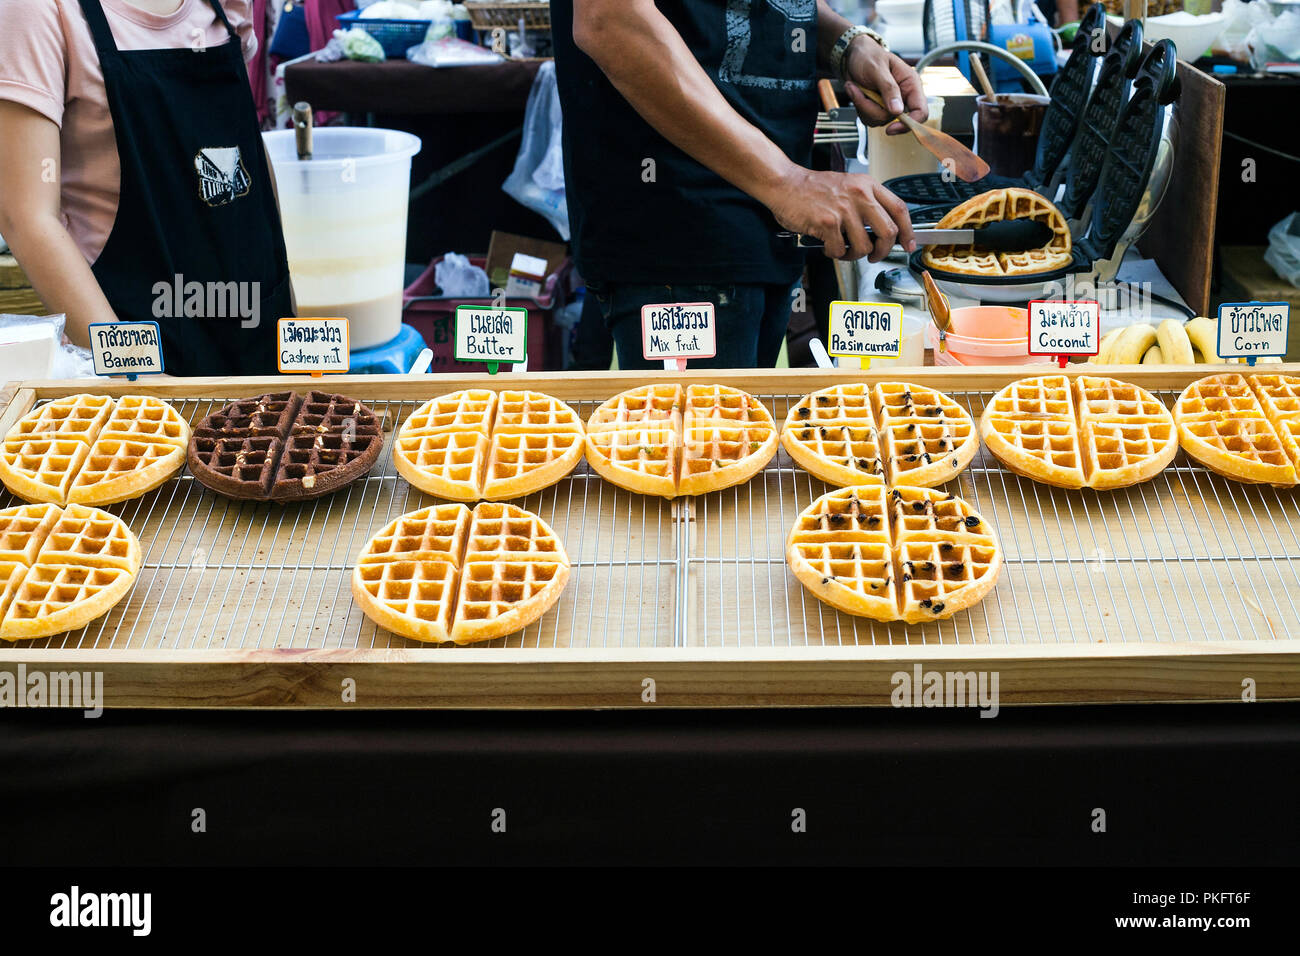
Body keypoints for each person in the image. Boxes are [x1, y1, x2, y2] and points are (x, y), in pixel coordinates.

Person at [552, 0, 929, 370]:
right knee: (702, 433)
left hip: (768, 224)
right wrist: (790, 182)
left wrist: (844, 44)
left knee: (747, 429)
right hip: (680, 230)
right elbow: (609, 18)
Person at [0, 0, 293, 375]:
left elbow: (246, 149)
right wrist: (137, 379)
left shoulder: (226, 4)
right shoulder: (38, 10)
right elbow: (25, 217)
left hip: (258, 321)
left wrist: (287, 301)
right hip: (139, 333)